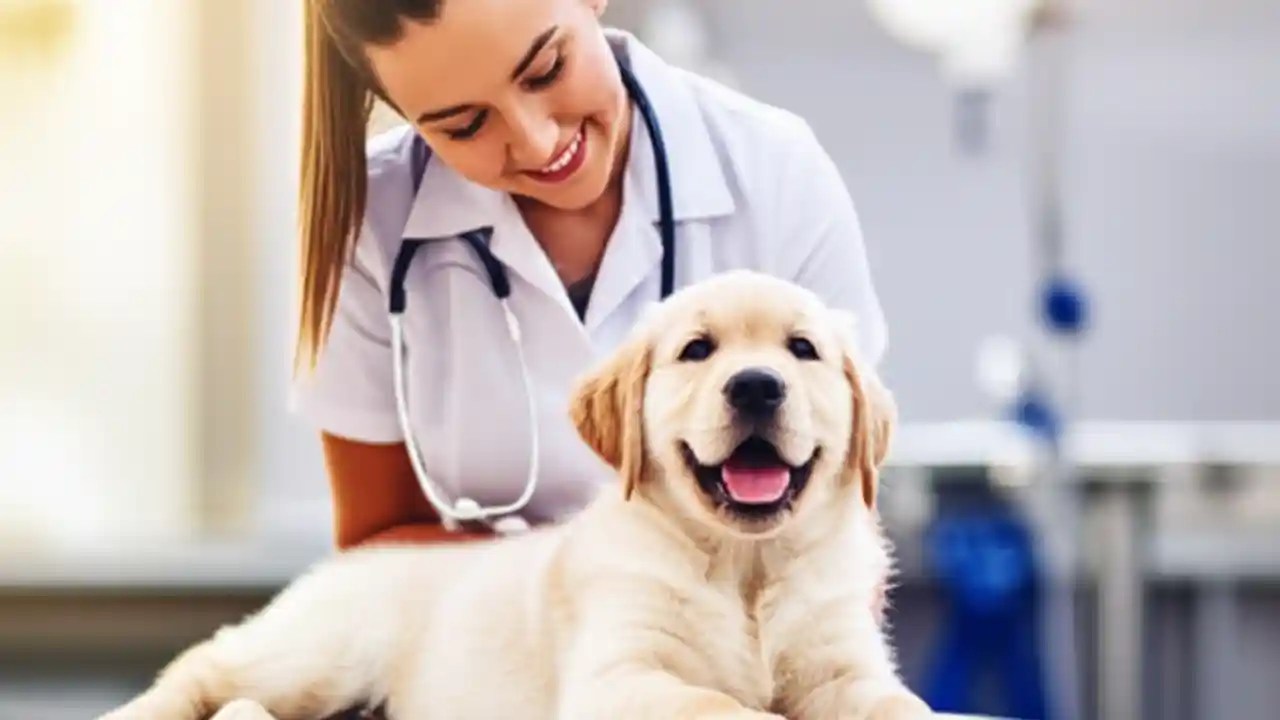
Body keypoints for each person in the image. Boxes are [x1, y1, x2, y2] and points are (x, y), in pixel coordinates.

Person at [291, 0, 889, 551]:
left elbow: (839, 530)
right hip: (487, 650)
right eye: (464, 126)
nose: (536, 141)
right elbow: (377, 552)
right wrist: (591, 599)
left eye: (547, 69)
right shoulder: (370, 223)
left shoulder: (773, 167)